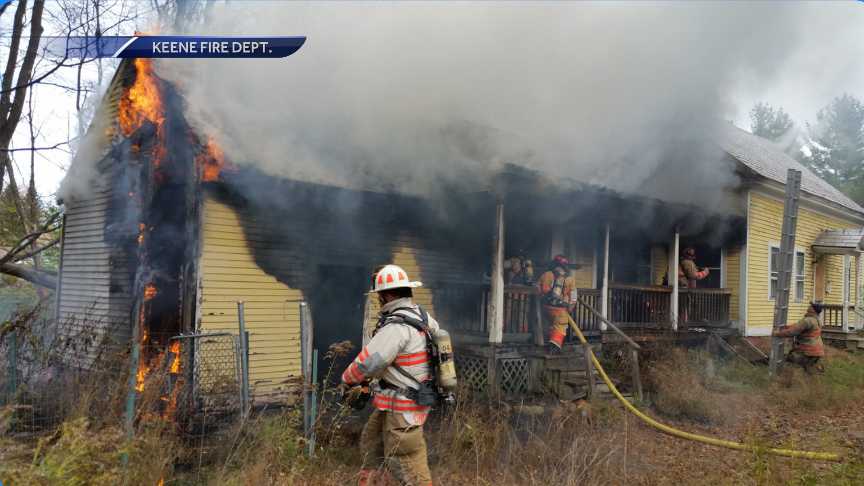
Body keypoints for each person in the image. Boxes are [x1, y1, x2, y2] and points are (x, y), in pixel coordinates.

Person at [341, 264, 436, 486]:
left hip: (403, 406)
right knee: (371, 441)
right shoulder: (424, 317)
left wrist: (346, 379)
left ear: (389, 295)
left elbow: (369, 363)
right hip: (400, 401)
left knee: (405, 462)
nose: (379, 300)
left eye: (380, 296)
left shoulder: (396, 327)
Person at [536, 254, 577, 352]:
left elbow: (538, 289)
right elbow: (574, 295)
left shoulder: (546, 274)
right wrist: (571, 307)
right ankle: (553, 348)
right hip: (560, 309)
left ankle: (545, 342)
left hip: (546, 307)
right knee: (560, 326)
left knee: (550, 325)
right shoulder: (570, 279)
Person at [772, 302, 825, 374]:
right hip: (817, 352)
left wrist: (778, 333)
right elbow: (798, 326)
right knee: (807, 369)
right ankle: (814, 373)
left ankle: (777, 372)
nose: (809, 306)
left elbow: (792, 332)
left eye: (811, 306)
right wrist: (786, 327)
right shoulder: (817, 320)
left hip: (807, 351)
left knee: (785, 359)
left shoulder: (807, 320)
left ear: (813, 310)